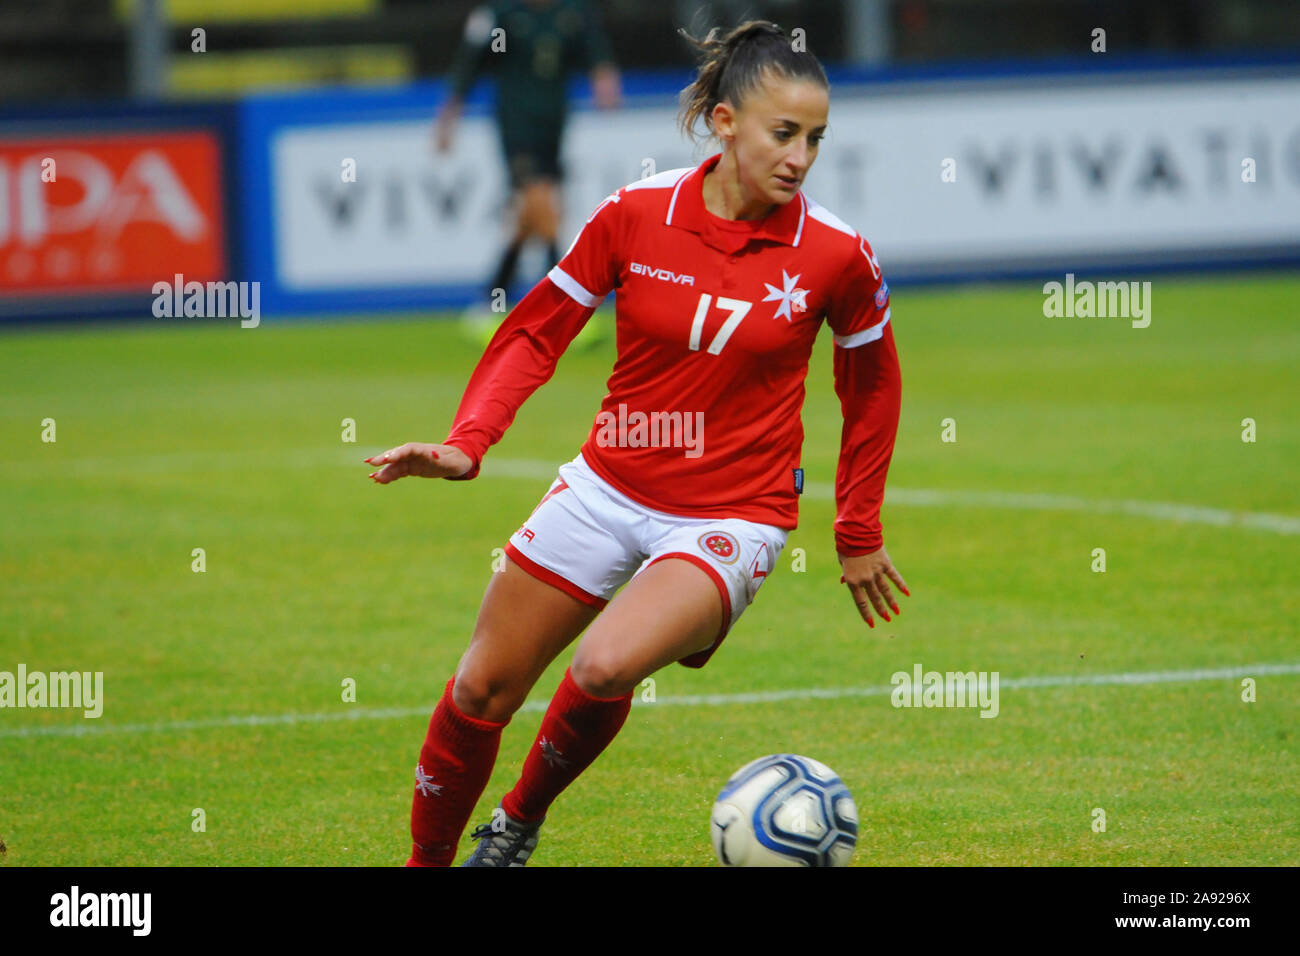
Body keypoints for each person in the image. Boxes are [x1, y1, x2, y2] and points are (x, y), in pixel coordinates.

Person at [368, 19, 909, 867]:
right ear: (725, 124)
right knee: (481, 686)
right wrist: (469, 442)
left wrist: (859, 529)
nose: (801, 157)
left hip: (732, 512)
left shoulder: (836, 256)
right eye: (783, 133)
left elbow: (872, 386)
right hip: (606, 487)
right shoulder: (636, 214)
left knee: (604, 664)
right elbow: (535, 332)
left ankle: (514, 826)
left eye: (816, 139)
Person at [435, 0, 621, 316]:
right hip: (515, 127)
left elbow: (595, 52)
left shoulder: (571, 13)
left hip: (553, 129)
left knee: (529, 219)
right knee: (544, 206)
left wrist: (603, 79)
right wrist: (450, 115)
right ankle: (566, 308)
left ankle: (489, 302)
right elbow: (469, 63)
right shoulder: (500, 14)